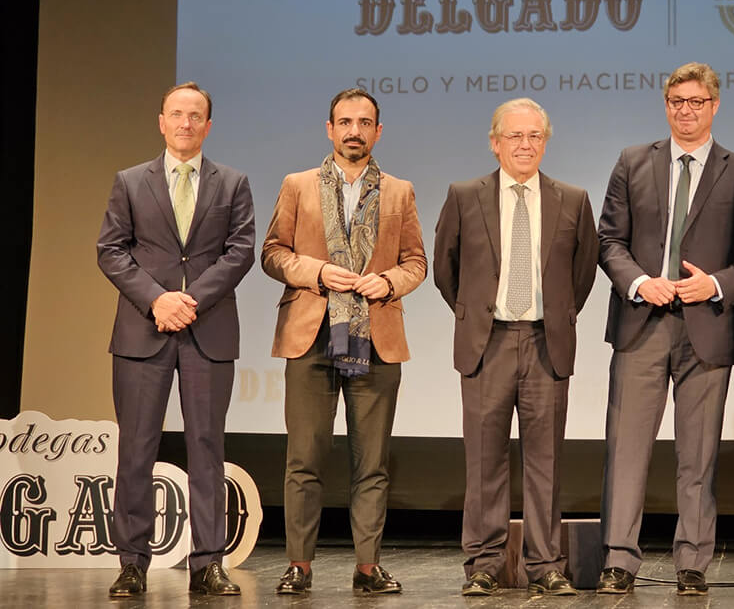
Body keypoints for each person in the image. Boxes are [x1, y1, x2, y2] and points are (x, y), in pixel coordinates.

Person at [596, 62, 734, 595]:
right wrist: (641, 282)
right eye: (677, 102)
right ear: (666, 105)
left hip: (707, 326)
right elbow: (608, 242)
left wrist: (714, 285)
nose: (685, 111)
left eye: (696, 102)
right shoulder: (632, 161)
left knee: (699, 454)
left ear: (714, 107)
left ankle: (692, 561)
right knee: (627, 450)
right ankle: (619, 558)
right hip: (641, 324)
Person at [262, 88, 427, 595]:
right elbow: (272, 253)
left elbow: (417, 262)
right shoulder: (299, 185)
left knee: (371, 462)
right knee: (305, 457)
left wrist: (390, 282)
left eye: (365, 122)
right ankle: (299, 565)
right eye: (345, 121)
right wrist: (318, 272)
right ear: (329, 128)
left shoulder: (399, 191)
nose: (354, 130)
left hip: (375, 336)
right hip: (311, 334)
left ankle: (367, 566)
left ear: (378, 131)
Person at [433, 98, 599, 597]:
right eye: (515, 136)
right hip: (489, 343)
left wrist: (553, 319)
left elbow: (583, 273)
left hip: (546, 343)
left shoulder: (572, 199)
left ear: (545, 142)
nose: (525, 145)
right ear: (495, 142)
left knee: (546, 460)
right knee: (484, 460)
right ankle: (483, 563)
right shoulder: (465, 195)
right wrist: (477, 315)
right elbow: (447, 269)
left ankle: (546, 563)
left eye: (534, 137)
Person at [97, 82, 255, 598]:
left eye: (196, 117)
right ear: (161, 121)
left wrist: (189, 301)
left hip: (206, 332)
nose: (186, 124)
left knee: (206, 447)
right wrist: (158, 299)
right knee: (136, 448)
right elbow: (111, 250)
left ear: (209, 126)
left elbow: (240, 251)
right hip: (144, 332)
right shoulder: (130, 181)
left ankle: (208, 562)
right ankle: (133, 562)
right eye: (177, 115)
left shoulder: (232, 183)